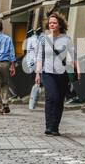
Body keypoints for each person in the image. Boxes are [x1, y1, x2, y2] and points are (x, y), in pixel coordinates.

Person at [34, 9, 80, 137]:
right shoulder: (43, 39)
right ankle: (48, 126)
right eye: (50, 23)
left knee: (59, 100)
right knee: (51, 97)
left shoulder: (66, 39)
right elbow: (39, 57)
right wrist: (38, 73)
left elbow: (73, 56)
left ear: (59, 25)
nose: (52, 25)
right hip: (48, 73)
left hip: (63, 74)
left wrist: (78, 71)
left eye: (54, 23)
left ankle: (55, 127)